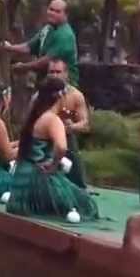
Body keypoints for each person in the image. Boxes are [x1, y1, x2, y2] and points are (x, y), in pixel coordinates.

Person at [5, 77, 100, 221]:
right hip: (39, 179)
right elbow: (61, 147)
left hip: (21, 183)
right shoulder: (52, 120)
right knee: (87, 204)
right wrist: (54, 164)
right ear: (61, 96)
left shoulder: (35, 117)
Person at [1, 0, 79, 84]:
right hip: (46, 82)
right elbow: (28, 47)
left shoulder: (65, 35)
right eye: (51, 9)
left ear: (66, 15)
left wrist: (24, 67)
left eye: (57, 11)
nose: (52, 13)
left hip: (65, 85)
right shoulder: (48, 28)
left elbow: (45, 61)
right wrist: (9, 47)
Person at [46, 57, 90, 189]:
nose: (54, 75)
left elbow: (85, 124)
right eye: (51, 72)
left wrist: (72, 126)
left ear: (66, 74)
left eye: (58, 72)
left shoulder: (75, 96)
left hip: (67, 139)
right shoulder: (40, 96)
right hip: (44, 141)